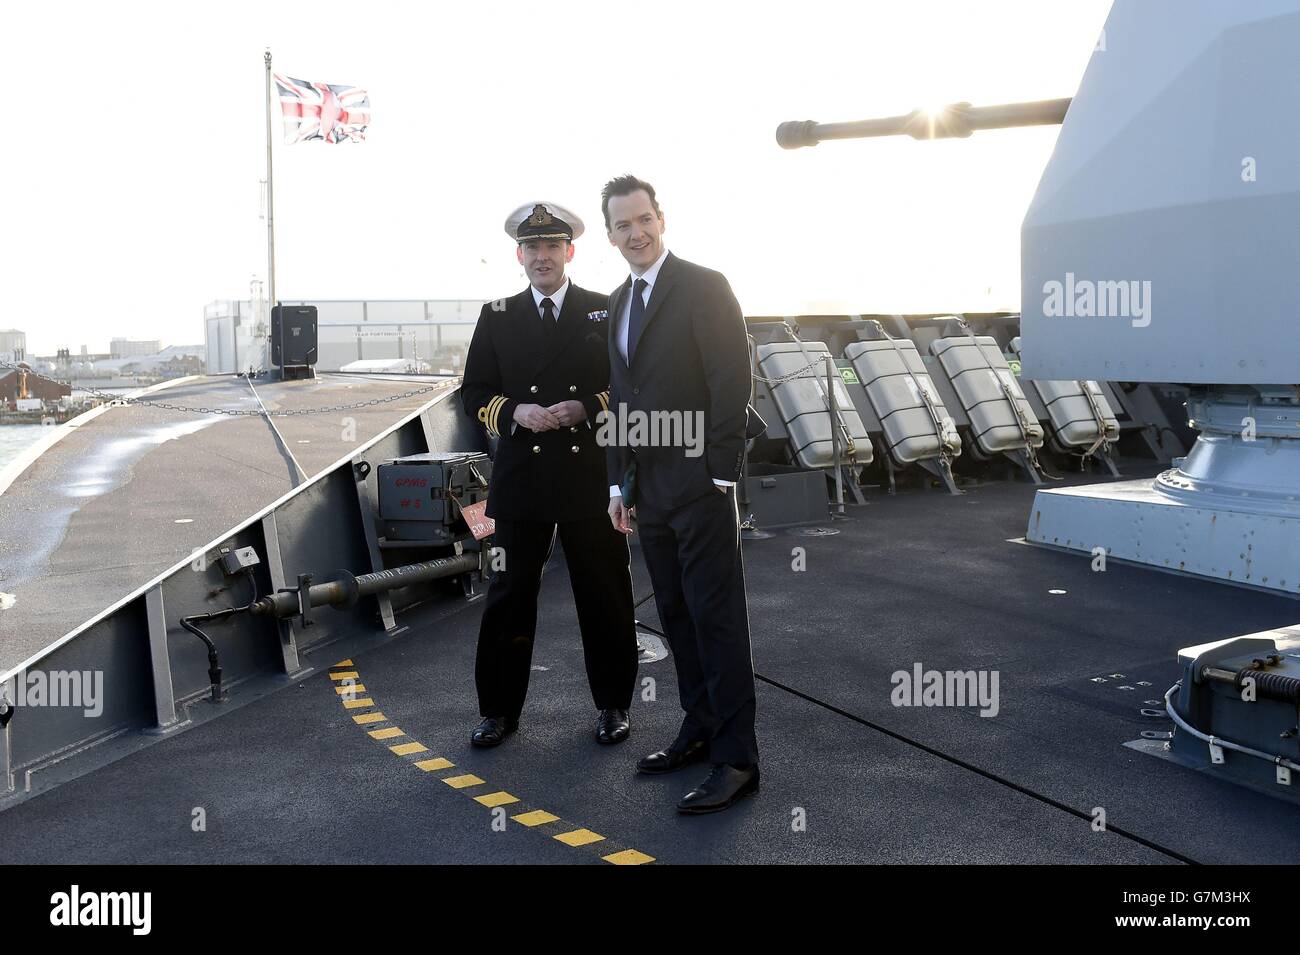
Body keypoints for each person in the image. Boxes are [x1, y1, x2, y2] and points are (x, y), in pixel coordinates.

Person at [601, 175, 759, 813]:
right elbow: (620, 393)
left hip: (698, 481)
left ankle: (736, 758)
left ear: (660, 218)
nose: (635, 233)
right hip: (650, 490)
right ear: (610, 234)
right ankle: (698, 729)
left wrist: (719, 472)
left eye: (643, 220)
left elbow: (730, 377)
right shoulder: (617, 301)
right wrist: (618, 481)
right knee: (676, 614)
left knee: (717, 618)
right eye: (622, 225)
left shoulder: (703, 286)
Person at [460, 201, 638, 748]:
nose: (542, 257)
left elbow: (630, 385)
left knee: (604, 591)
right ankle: (498, 711)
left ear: (570, 252)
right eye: (532, 248)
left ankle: (613, 705)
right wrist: (515, 412)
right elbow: (474, 393)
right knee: (510, 595)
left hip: (590, 474)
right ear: (519, 255)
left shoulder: (606, 309)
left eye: (552, 247)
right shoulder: (497, 314)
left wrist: (588, 406)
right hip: (522, 479)